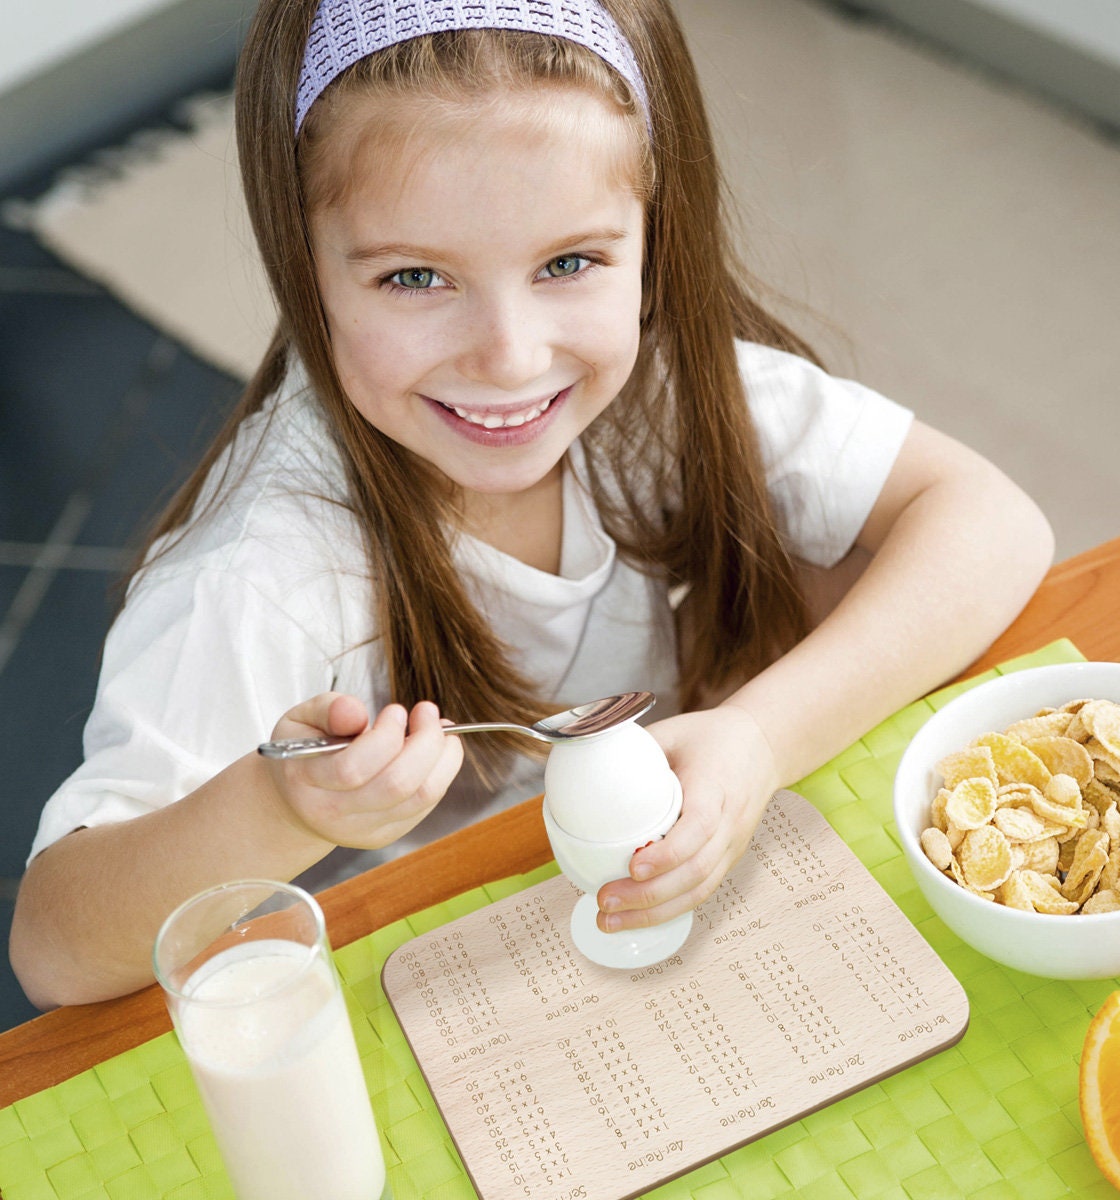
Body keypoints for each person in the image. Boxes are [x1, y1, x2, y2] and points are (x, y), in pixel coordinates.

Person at [11, 0, 1053, 1008]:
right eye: (415, 277)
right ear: (304, 265)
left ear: (653, 236)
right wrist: (280, 804)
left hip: (677, 875)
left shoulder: (656, 395)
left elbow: (994, 523)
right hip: (458, 960)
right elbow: (55, 951)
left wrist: (759, 738)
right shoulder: (264, 569)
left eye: (569, 262)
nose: (510, 359)